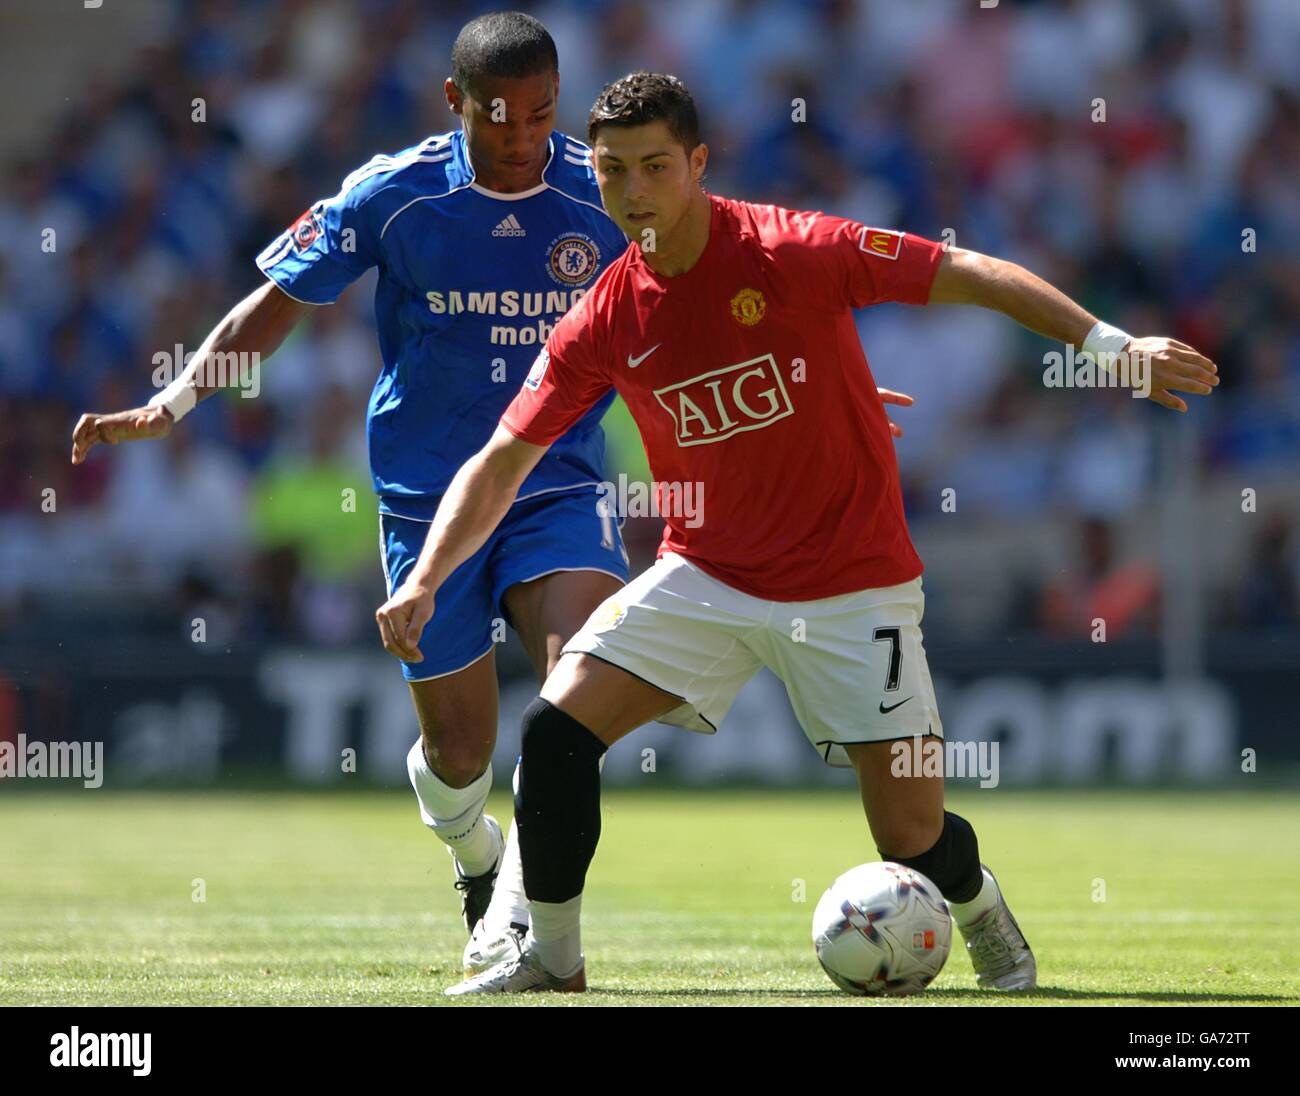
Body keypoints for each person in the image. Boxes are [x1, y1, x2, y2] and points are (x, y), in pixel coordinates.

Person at [382, 69, 1219, 995]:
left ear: (698, 164)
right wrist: (425, 577)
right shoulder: (605, 315)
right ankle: (553, 958)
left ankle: (977, 907)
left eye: (655, 166)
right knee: (554, 734)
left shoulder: (794, 249)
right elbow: (500, 461)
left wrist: (1114, 347)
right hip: (705, 575)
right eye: (613, 172)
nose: (633, 192)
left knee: (914, 839)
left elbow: (970, 272)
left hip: (854, 584)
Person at [71, 12, 637, 974]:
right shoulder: (394, 194)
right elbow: (277, 305)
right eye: (498, 116)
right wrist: (173, 402)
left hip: (557, 484)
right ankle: (476, 853)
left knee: (571, 693)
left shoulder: (606, 189)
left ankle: (520, 920)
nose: (520, 137)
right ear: (453, 101)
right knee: (460, 753)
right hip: (428, 497)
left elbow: (706, 286)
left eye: (541, 114)